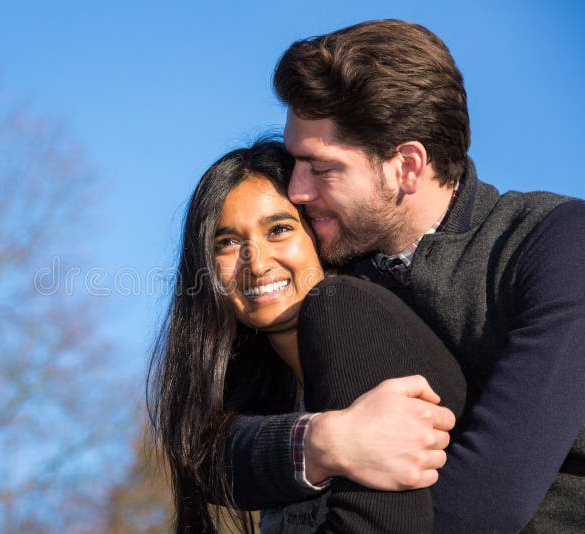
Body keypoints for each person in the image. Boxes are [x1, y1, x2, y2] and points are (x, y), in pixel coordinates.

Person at [215, 19, 585, 533]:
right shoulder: (331, 262)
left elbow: (491, 501)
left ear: (406, 166)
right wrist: (324, 441)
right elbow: (211, 449)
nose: (296, 190)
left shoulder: (557, 245)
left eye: (320, 168)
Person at [147, 138, 465, 533]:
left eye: (279, 229)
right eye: (227, 243)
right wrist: (321, 441)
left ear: (320, 232)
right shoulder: (273, 392)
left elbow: (386, 522)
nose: (256, 263)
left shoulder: (347, 308)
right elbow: (205, 457)